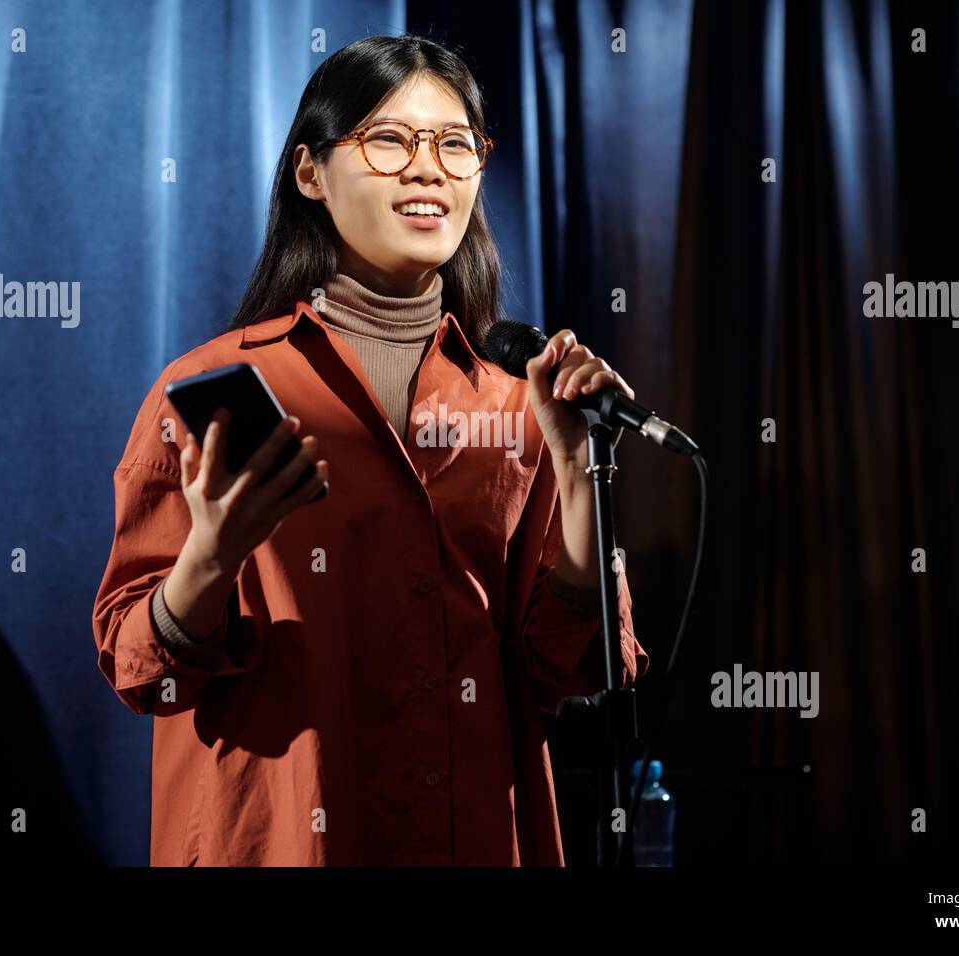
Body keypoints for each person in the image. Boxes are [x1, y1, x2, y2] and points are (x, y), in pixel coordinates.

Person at [92, 34, 649, 866]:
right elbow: (138, 667)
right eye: (389, 140)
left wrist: (578, 483)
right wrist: (208, 559)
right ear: (310, 174)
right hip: (278, 837)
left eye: (455, 144)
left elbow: (573, 671)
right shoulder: (215, 387)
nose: (428, 169)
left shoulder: (519, 402)